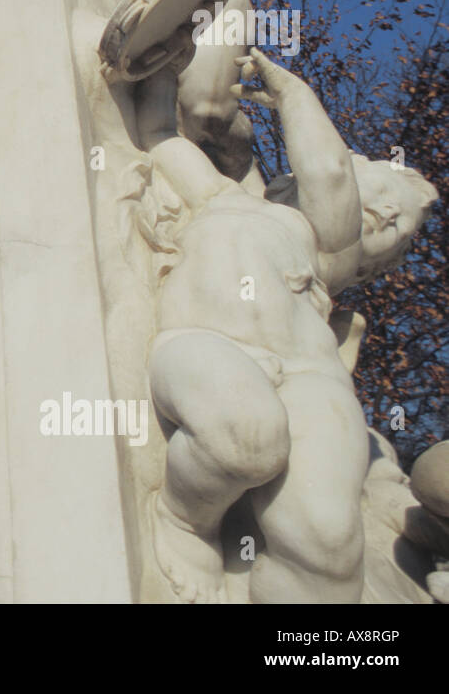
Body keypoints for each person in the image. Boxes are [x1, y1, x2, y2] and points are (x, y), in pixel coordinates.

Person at [135, 48, 436, 602]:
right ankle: (185, 522)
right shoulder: (223, 194)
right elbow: (157, 130)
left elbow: (328, 178)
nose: (393, 219)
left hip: (308, 374)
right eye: (390, 199)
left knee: (331, 549)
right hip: (207, 347)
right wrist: (167, 54)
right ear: (353, 166)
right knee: (244, 439)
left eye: (403, 233)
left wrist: (292, 94)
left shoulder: (327, 252)